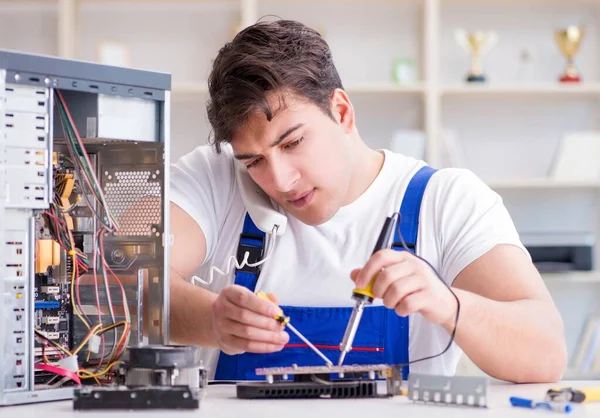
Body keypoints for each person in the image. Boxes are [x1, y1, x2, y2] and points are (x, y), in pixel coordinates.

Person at [167, 19, 567, 383]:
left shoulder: (446, 201)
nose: (280, 181)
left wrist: (449, 304)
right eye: (254, 161)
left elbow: (546, 352)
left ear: (341, 111)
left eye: (292, 142)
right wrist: (210, 320)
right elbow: (123, 288)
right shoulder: (215, 177)